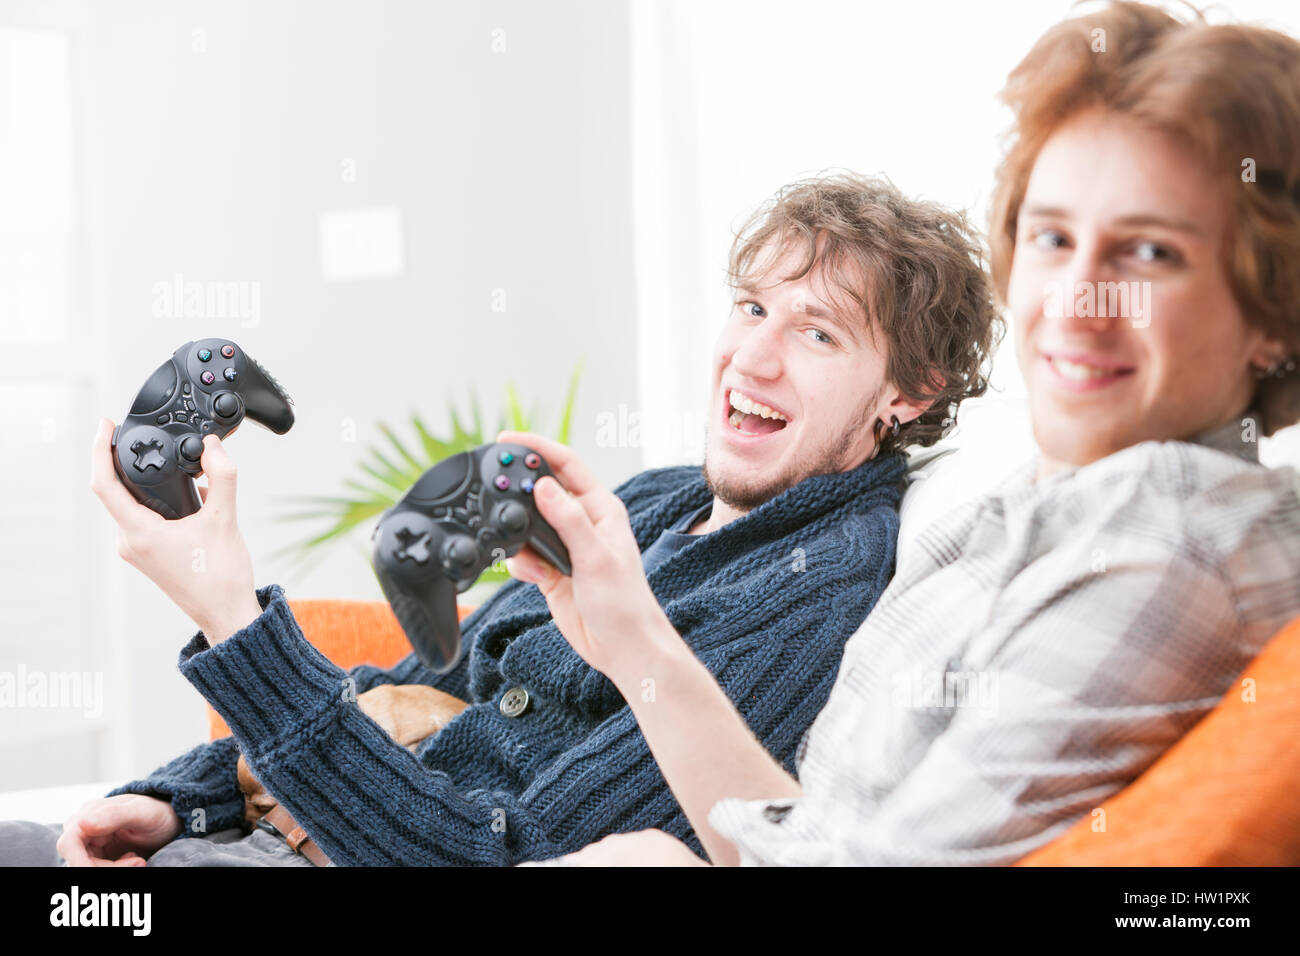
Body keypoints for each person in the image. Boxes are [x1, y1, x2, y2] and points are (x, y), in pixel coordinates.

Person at [0, 172, 999, 866]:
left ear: (908, 391)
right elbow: (407, 684)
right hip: (269, 829)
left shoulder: (817, 595)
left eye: (816, 331)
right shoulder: (658, 498)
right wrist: (183, 797)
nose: (754, 357)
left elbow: (489, 854)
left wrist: (232, 615)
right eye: (750, 308)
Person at [507, 0, 1300, 866]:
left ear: (1274, 316)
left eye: (1152, 253)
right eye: (1052, 237)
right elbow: (811, 841)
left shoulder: (1166, 540)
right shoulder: (1039, 504)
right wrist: (630, 637)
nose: (1076, 300)